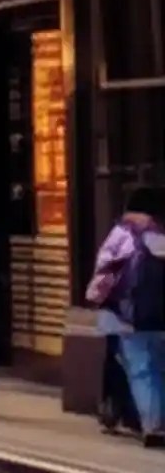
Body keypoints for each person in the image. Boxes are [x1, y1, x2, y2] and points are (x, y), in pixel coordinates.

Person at [86, 186, 165, 446]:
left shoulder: (121, 235)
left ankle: (152, 425)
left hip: (127, 318)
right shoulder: (161, 235)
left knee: (141, 371)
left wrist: (97, 299)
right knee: (160, 368)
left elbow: (105, 273)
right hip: (160, 316)